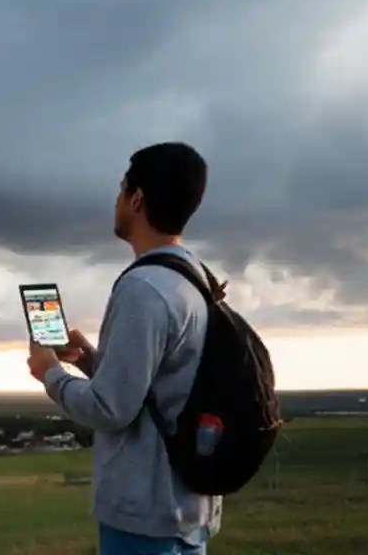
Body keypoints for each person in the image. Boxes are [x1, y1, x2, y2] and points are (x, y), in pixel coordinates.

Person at [27, 142, 223, 555]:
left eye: (120, 190)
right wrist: (92, 362)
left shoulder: (143, 288)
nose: (115, 201)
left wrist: (50, 373)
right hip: (188, 507)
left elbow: (110, 410)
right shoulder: (195, 280)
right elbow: (159, 391)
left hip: (143, 516)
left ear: (137, 199)